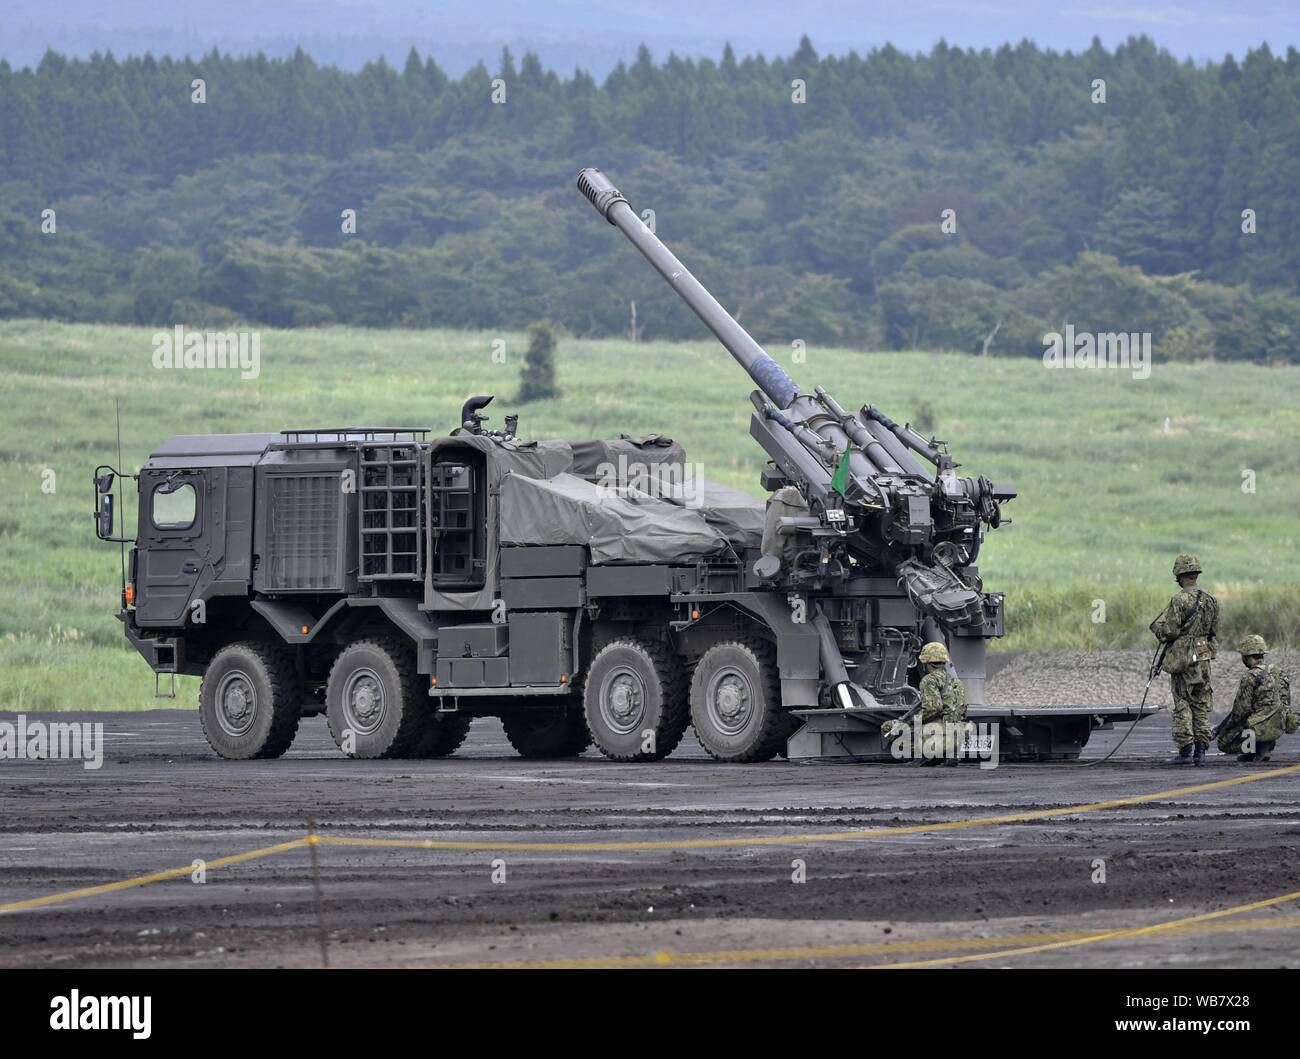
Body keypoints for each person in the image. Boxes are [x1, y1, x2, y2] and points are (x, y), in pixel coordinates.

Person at [1150, 554, 1219, 766]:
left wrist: (1157, 629)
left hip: (1183, 659)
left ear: (1179, 576)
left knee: (1182, 704)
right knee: (1200, 705)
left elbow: (1170, 632)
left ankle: (1185, 752)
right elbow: (1213, 633)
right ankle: (1200, 753)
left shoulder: (1179, 600)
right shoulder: (1211, 600)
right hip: (1203, 658)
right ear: (1195, 574)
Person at [1216, 635, 1292, 763]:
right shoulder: (1278, 671)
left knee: (1223, 743)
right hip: (1278, 725)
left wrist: (1222, 730)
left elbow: (1240, 711)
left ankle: (1255, 748)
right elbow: (1286, 702)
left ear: (1246, 656)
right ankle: (1264, 744)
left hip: (1258, 727)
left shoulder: (1250, 676)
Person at [916, 640, 967, 766]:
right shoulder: (956, 681)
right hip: (960, 731)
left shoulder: (928, 680)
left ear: (927, 663)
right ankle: (950, 753)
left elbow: (933, 709)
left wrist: (912, 720)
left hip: (939, 732)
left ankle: (927, 755)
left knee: (903, 728)